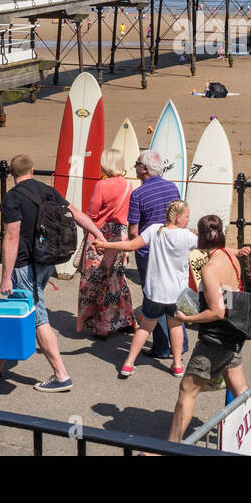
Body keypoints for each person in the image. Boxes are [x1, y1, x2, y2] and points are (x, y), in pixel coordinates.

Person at [0, 154, 106, 391]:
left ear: (11, 174)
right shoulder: (46, 190)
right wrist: (98, 234)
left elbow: (11, 237)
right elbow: (77, 214)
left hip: (24, 264)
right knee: (27, 311)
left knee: (37, 317)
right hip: (47, 259)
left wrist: (6, 276)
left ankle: (61, 375)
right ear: (32, 169)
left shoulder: (12, 198)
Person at [167, 215, 250, 440]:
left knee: (187, 390)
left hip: (215, 338)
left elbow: (217, 311)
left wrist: (187, 319)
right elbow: (229, 299)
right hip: (234, 332)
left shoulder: (210, 268)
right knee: (240, 390)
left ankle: (169, 448)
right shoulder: (229, 257)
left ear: (202, 238)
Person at [98, 200, 196, 378]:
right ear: (178, 217)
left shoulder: (154, 230)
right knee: (176, 326)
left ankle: (128, 364)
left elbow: (131, 245)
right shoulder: (187, 236)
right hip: (177, 294)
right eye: (187, 216)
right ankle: (177, 365)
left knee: (145, 328)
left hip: (155, 292)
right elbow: (209, 247)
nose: (189, 220)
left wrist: (106, 245)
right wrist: (233, 251)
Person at [126, 149, 186, 359]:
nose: (134, 167)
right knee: (175, 297)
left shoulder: (138, 194)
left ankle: (162, 346)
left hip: (149, 252)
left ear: (144, 169)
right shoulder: (172, 188)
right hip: (173, 249)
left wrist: (133, 246)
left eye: (136, 164)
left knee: (154, 298)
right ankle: (181, 343)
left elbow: (133, 231)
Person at [76, 149, 136, 339]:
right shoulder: (129, 185)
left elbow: (92, 214)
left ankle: (101, 325)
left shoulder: (101, 185)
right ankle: (126, 319)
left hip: (100, 236)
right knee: (117, 279)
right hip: (121, 235)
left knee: (96, 280)